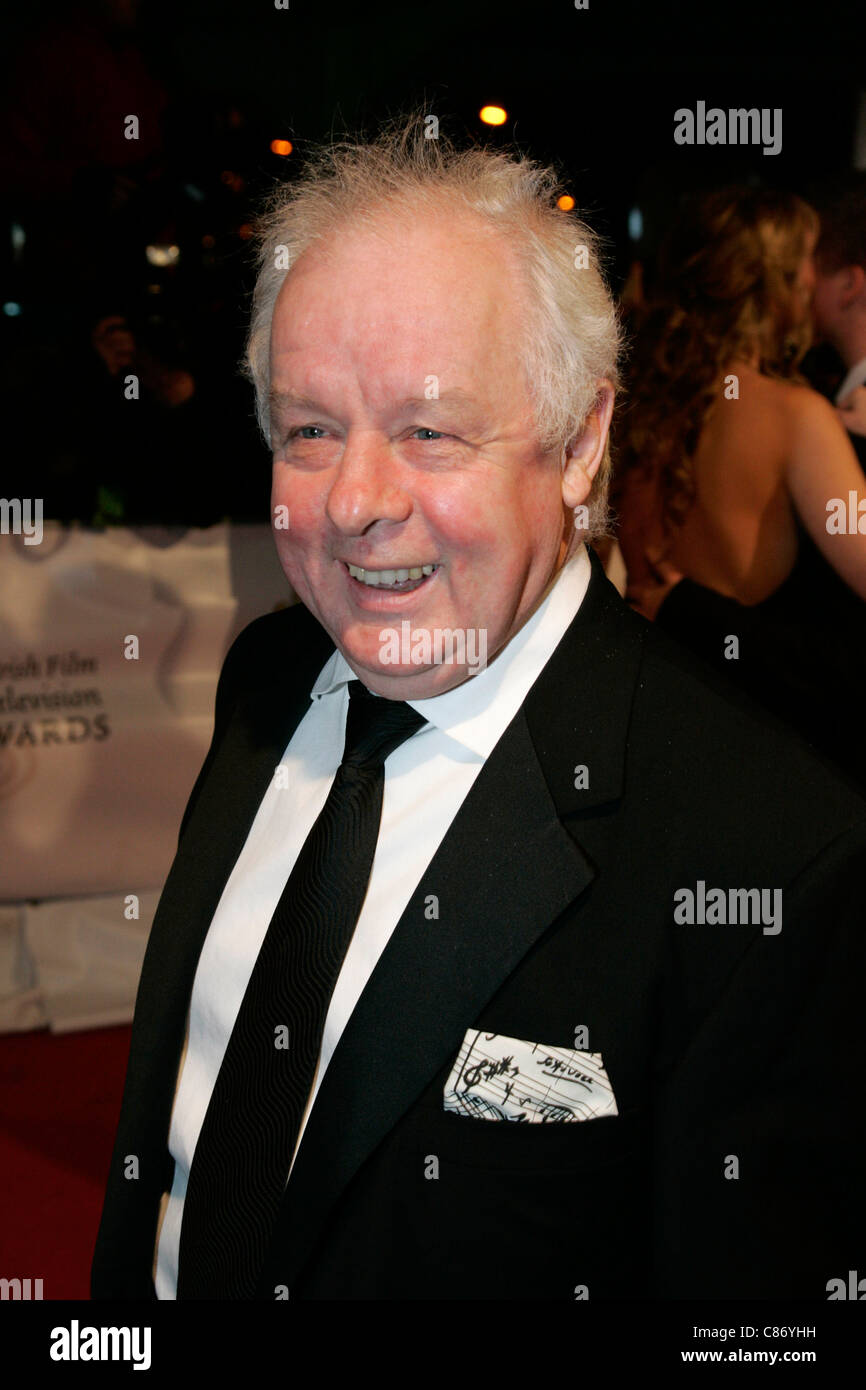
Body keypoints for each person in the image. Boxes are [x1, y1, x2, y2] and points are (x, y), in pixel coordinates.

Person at [91, 117, 866, 1302]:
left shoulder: (766, 848)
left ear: (580, 442)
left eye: (428, 431)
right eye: (308, 429)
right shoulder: (265, 683)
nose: (353, 499)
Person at [616, 187, 866, 785]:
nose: (813, 279)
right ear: (774, 281)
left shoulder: (639, 413)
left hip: (664, 738)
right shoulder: (794, 417)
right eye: (806, 260)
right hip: (772, 756)